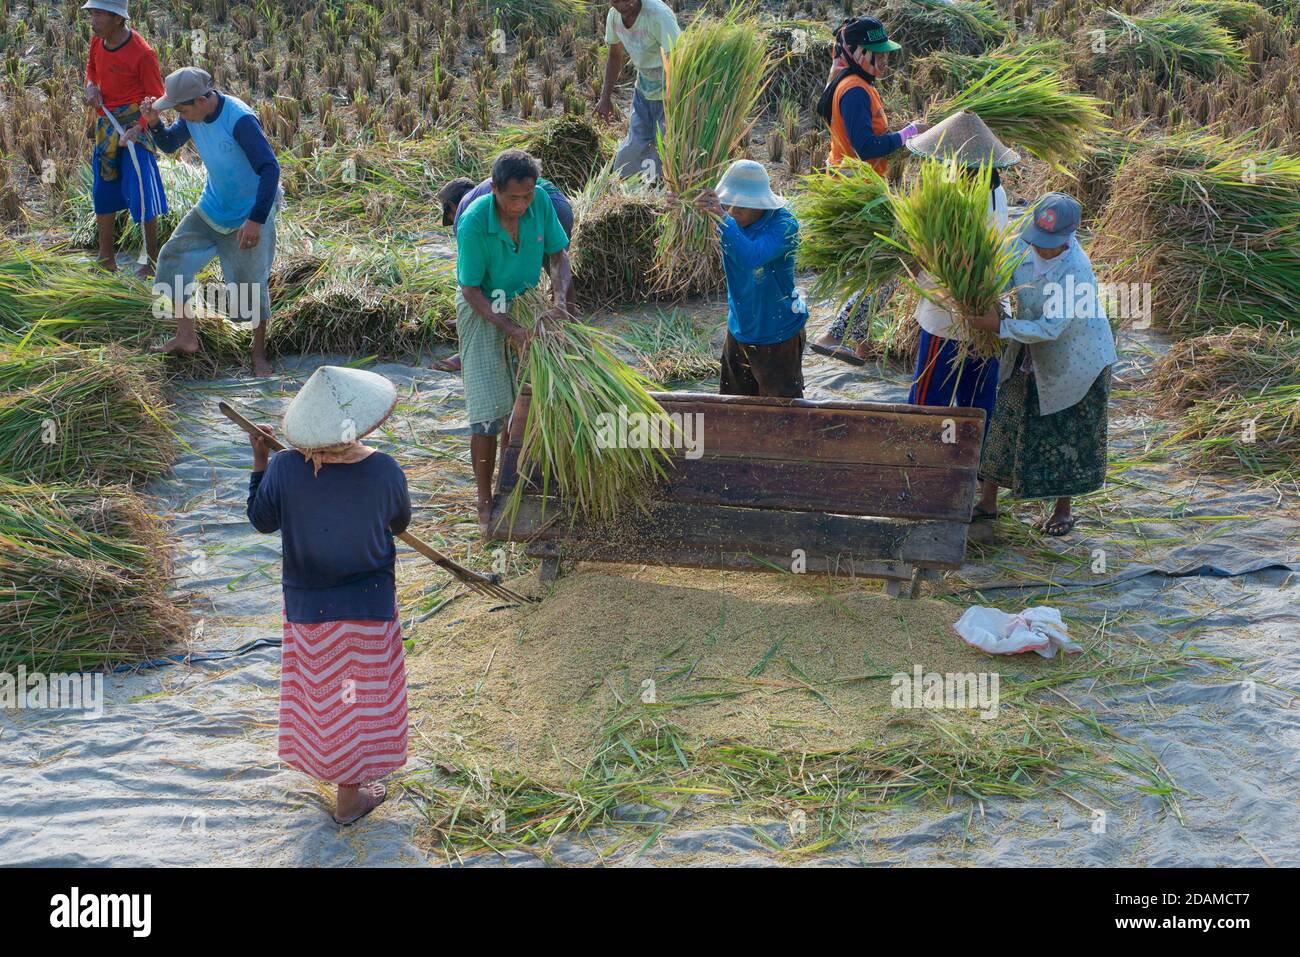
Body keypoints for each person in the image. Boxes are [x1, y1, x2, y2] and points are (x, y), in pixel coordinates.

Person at [246, 365, 412, 825]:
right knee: (358, 698)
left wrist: (259, 462)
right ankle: (349, 797)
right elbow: (399, 524)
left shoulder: (283, 467)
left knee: (329, 697)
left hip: (309, 610)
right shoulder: (384, 469)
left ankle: (343, 783)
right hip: (368, 606)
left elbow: (261, 521)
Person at [970, 193, 1118, 536]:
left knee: (1065, 432)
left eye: (1051, 244)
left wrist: (999, 325)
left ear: (1069, 236)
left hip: (1076, 358)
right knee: (1004, 421)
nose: (1043, 249)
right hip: (1026, 348)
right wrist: (982, 296)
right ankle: (987, 502)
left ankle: (1063, 510)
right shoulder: (1023, 242)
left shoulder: (1077, 270)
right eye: (1039, 240)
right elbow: (1001, 279)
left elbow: (1051, 329)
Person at [128, 67, 281, 376]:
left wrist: (255, 220)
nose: (180, 116)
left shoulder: (239, 121)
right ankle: (186, 336)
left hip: (248, 214)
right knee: (172, 260)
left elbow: (270, 169)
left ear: (200, 100)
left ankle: (258, 354)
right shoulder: (192, 116)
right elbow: (170, 145)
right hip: (212, 207)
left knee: (250, 289)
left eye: (182, 109)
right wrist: (155, 124)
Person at [456, 149, 573, 533]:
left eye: (527, 196)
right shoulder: (474, 222)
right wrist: (510, 329)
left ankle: (512, 484)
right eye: (512, 198)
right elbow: (470, 289)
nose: (521, 205)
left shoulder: (540, 203)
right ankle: (485, 501)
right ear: (494, 189)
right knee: (488, 413)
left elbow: (558, 255)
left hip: (526, 302)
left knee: (522, 405)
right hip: (485, 308)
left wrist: (558, 301)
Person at [810, 16, 928, 365]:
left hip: (855, 187)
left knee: (871, 266)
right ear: (858, 53)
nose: (886, 59)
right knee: (894, 264)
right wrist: (908, 135)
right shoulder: (855, 90)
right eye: (878, 53)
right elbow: (865, 146)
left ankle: (861, 342)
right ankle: (838, 333)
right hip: (857, 191)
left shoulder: (851, 82)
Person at [904, 112, 1021, 439]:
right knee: (978, 406)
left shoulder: (948, 202)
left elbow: (934, 259)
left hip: (945, 318)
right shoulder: (996, 191)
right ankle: (975, 472)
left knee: (930, 407)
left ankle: (929, 468)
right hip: (989, 314)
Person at [431, 173, 576, 373]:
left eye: (449, 217)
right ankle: (573, 330)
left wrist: (470, 320)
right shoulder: (496, 188)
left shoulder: (467, 211)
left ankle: (468, 354)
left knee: (499, 283)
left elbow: (479, 283)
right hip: (561, 204)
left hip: (540, 206)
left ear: (451, 207)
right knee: (557, 265)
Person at [690, 160, 805, 398]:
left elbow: (751, 256)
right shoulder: (727, 219)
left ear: (762, 202)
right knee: (734, 405)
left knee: (781, 415)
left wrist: (722, 217)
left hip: (777, 334)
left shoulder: (783, 225)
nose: (734, 209)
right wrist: (681, 203)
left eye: (743, 204)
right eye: (729, 202)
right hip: (740, 328)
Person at [81, 0, 168, 276]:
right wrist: (91, 87)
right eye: (91, 13)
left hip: (135, 129)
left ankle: (151, 260)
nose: (92, 20)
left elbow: (156, 99)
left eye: (98, 14)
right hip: (108, 126)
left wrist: (139, 128)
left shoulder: (142, 53)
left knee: (141, 191)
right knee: (103, 192)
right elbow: (91, 70)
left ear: (118, 19)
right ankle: (106, 258)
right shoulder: (98, 42)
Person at [594, 0, 681, 182]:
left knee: (667, 148)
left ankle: (665, 192)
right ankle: (623, 192)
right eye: (616, 0)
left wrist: (676, 102)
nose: (623, 5)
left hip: (670, 92)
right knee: (634, 145)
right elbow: (614, 55)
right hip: (644, 88)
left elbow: (677, 60)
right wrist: (605, 97)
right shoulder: (614, 16)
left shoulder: (659, 15)